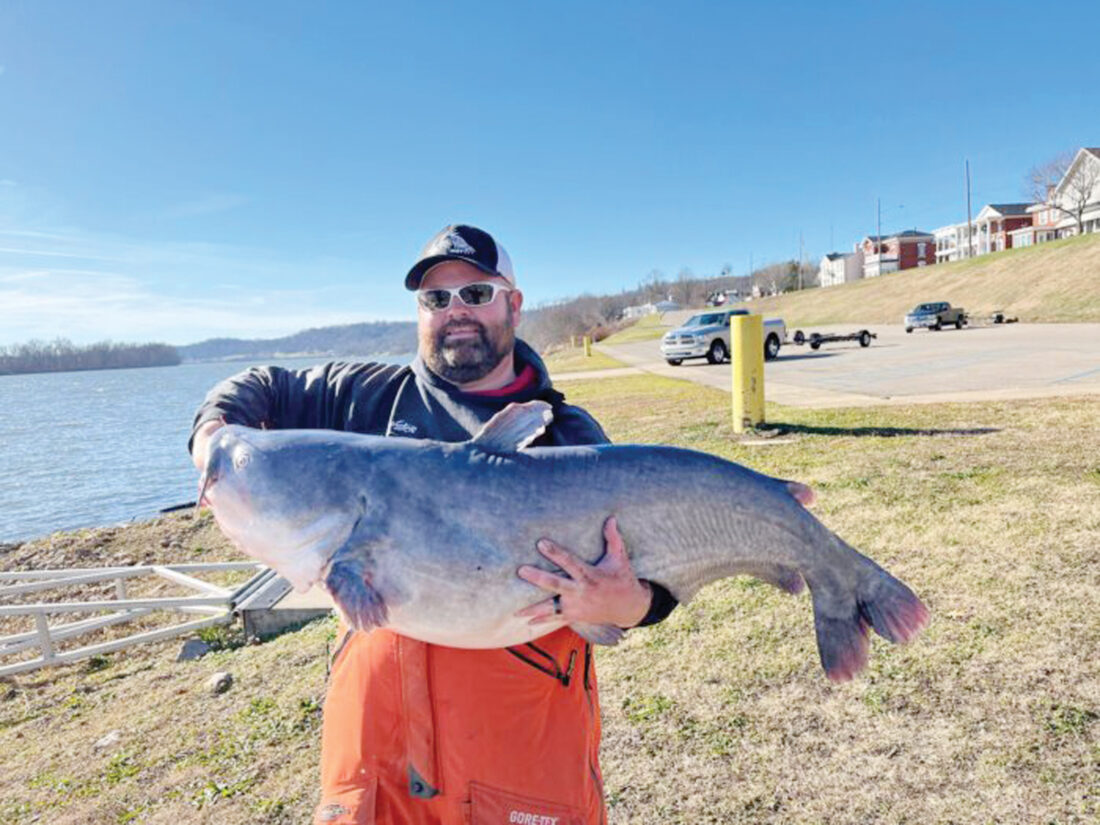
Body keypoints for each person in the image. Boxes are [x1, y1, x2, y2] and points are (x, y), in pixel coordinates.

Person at [189, 224, 679, 825]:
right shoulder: (368, 397)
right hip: (378, 759)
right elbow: (256, 386)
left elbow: (653, 588)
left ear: (514, 304)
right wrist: (213, 435)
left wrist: (625, 602)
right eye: (435, 299)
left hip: (520, 749)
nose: (455, 312)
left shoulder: (571, 439)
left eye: (475, 293)